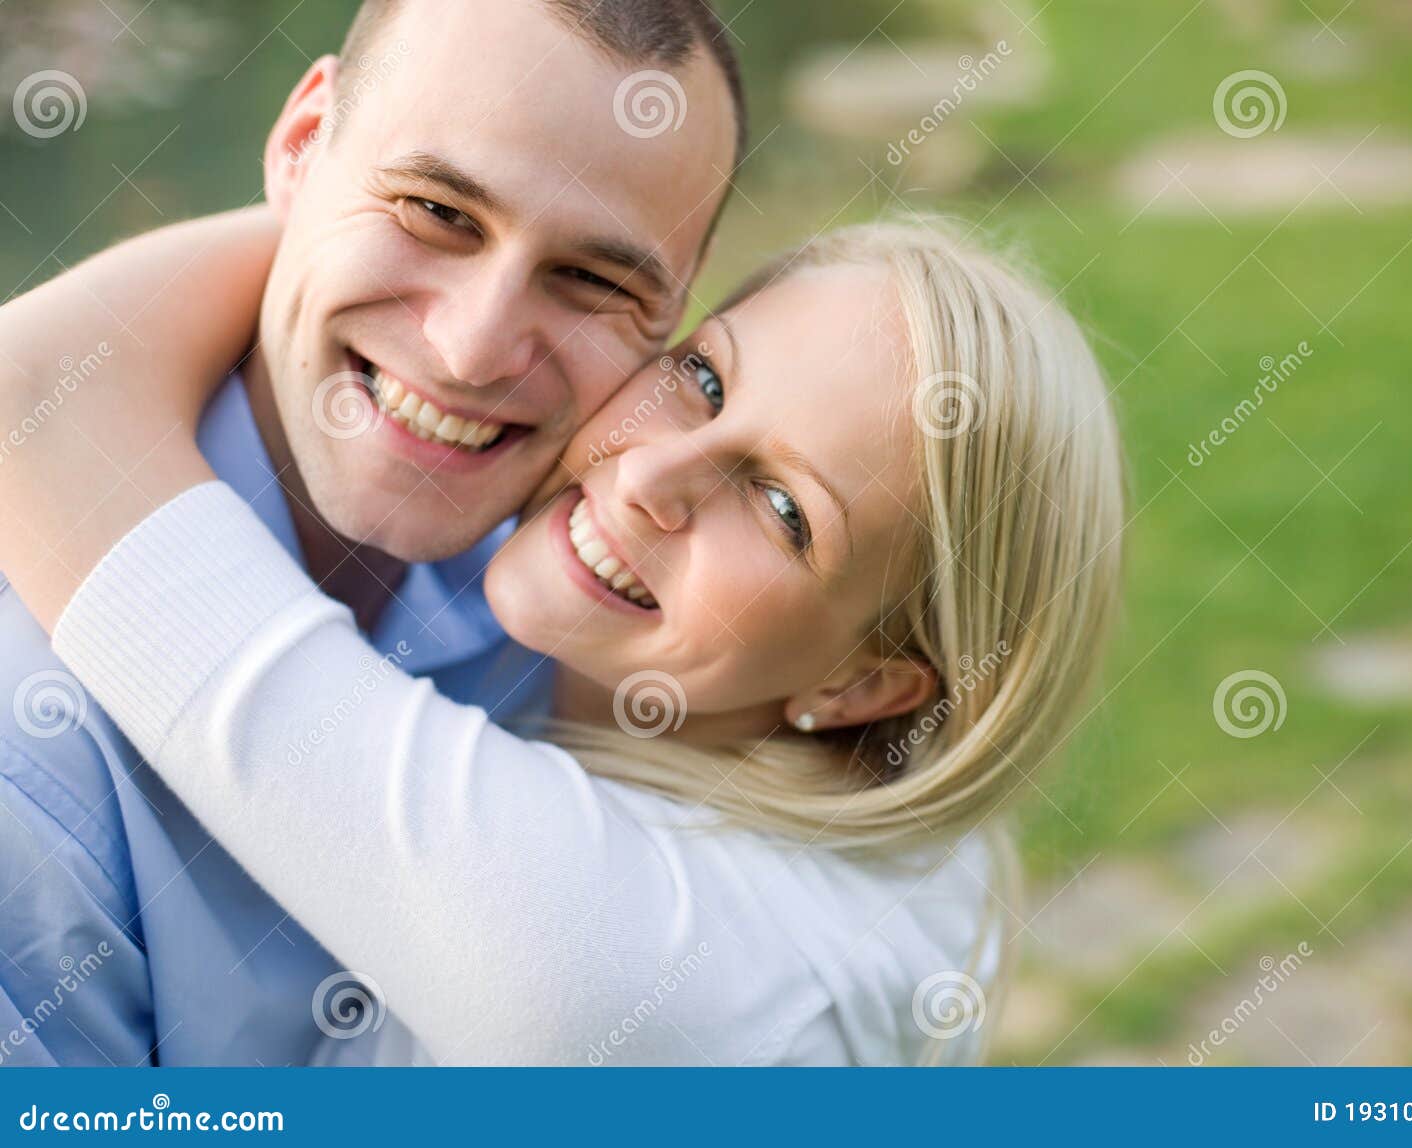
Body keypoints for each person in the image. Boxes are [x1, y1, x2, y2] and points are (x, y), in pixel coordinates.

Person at [0, 203, 1124, 1063]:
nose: (650, 475)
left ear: (867, 683)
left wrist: (359, 211)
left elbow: (36, 407)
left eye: (784, 511)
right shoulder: (897, 828)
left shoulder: (626, 961)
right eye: (702, 376)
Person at [0, 0, 743, 1066]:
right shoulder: (29, 768)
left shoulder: (596, 603)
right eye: (437, 210)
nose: (472, 348)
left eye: (592, 280)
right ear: (303, 146)